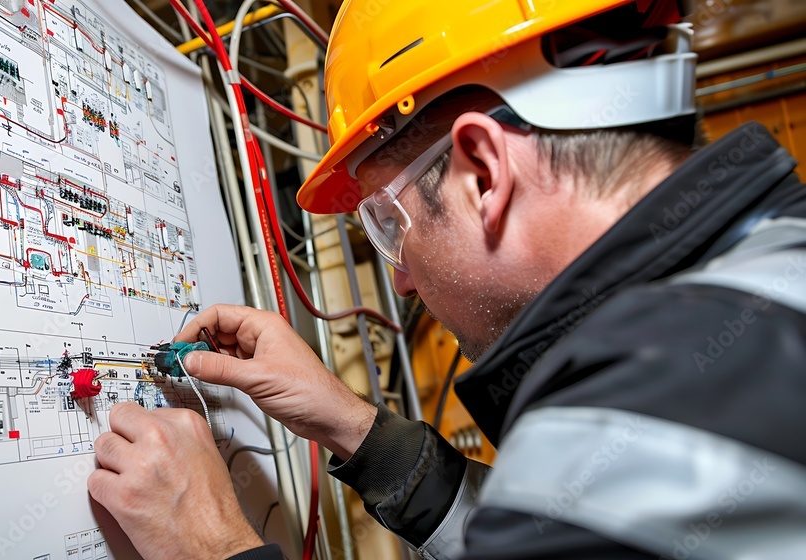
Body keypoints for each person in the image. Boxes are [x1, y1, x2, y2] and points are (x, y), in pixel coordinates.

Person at [86, 0, 806, 558]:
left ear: (483, 174)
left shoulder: (647, 413)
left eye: (387, 223)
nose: (400, 280)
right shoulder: (759, 285)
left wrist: (213, 546)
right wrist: (355, 429)